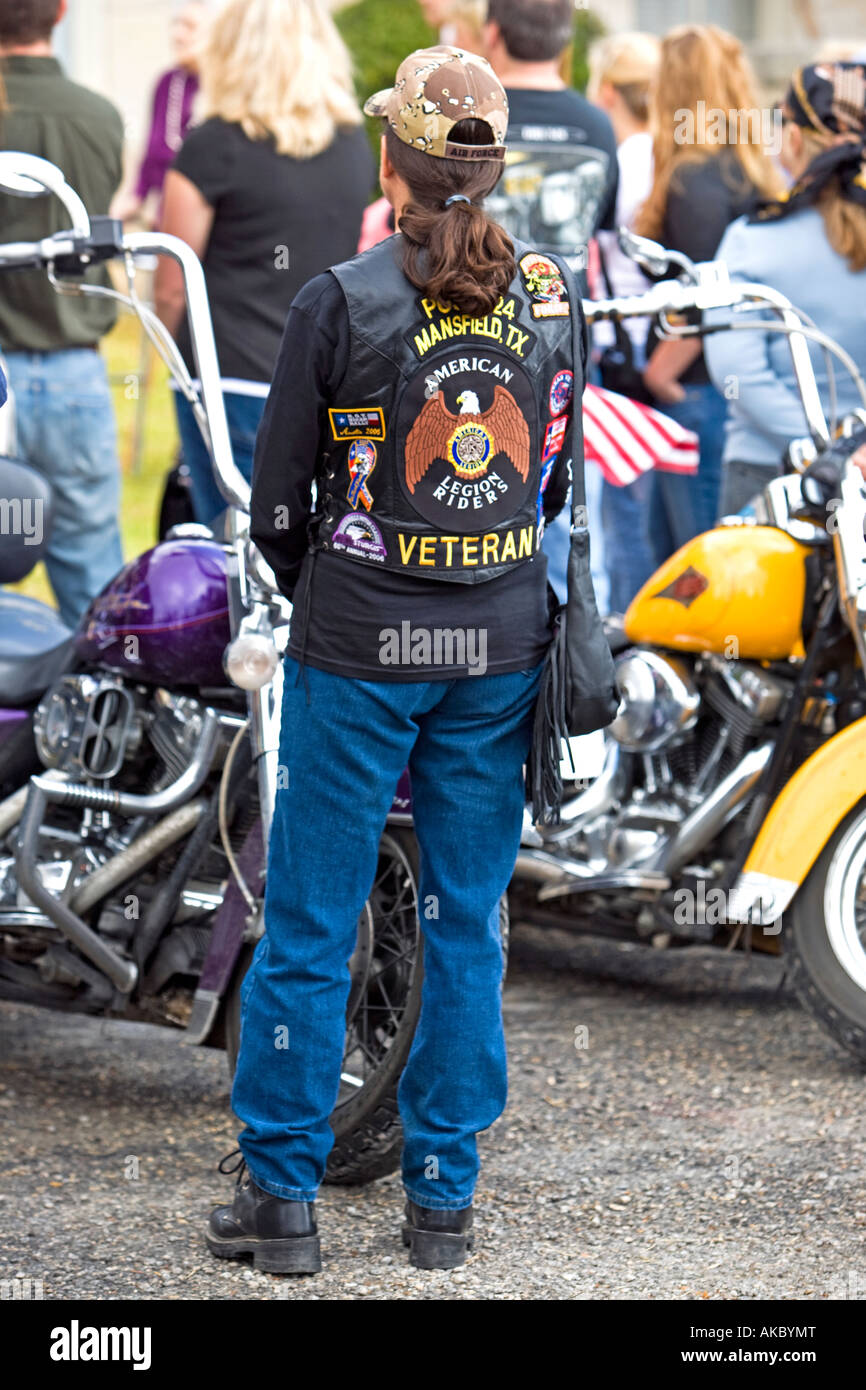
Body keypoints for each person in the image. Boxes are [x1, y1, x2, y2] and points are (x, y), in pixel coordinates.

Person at [206, 46, 591, 1274]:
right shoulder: (548, 291)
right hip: (496, 648)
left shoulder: (340, 296)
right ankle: (441, 1201)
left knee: (313, 919)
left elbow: (274, 512)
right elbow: (554, 478)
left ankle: (281, 1203)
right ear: (486, 166)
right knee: (464, 919)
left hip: (361, 642)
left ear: (393, 164)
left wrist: (337, 578)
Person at [153, 0, 375, 525]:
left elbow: (171, 284)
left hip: (227, 377)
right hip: (322, 377)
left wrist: (171, 363)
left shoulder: (212, 147)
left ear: (233, 49)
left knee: (232, 546)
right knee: (308, 544)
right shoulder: (353, 146)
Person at [483, 0, 620, 613]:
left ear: (493, 32)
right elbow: (604, 229)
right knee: (567, 500)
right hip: (565, 335)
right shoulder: (595, 125)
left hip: (478, 331)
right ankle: (578, 652)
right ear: (564, 41)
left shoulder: (479, 116)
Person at [635, 25, 781, 565]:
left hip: (698, 387)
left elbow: (710, 290)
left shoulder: (694, 181)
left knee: (691, 563)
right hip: (732, 384)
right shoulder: (752, 172)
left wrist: (662, 373)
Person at [0, 0, 124, 628]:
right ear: (61, 13)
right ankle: (108, 714)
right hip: (75, 374)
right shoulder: (99, 117)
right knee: (94, 577)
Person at [705, 61, 866, 515]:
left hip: (771, 470)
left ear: (793, 138)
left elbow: (738, 374)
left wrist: (829, 450)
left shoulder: (754, 239)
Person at [587, 31, 659, 613]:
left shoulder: (621, 162)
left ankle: (634, 631)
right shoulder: (667, 156)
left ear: (608, 91)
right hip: (666, 352)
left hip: (623, 353)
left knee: (626, 507)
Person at [114, 0, 209, 226]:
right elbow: (151, 153)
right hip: (166, 218)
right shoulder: (168, 83)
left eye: (189, 26)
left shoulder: (224, 88)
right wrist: (133, 201)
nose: (177, 34)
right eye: (175, 25)